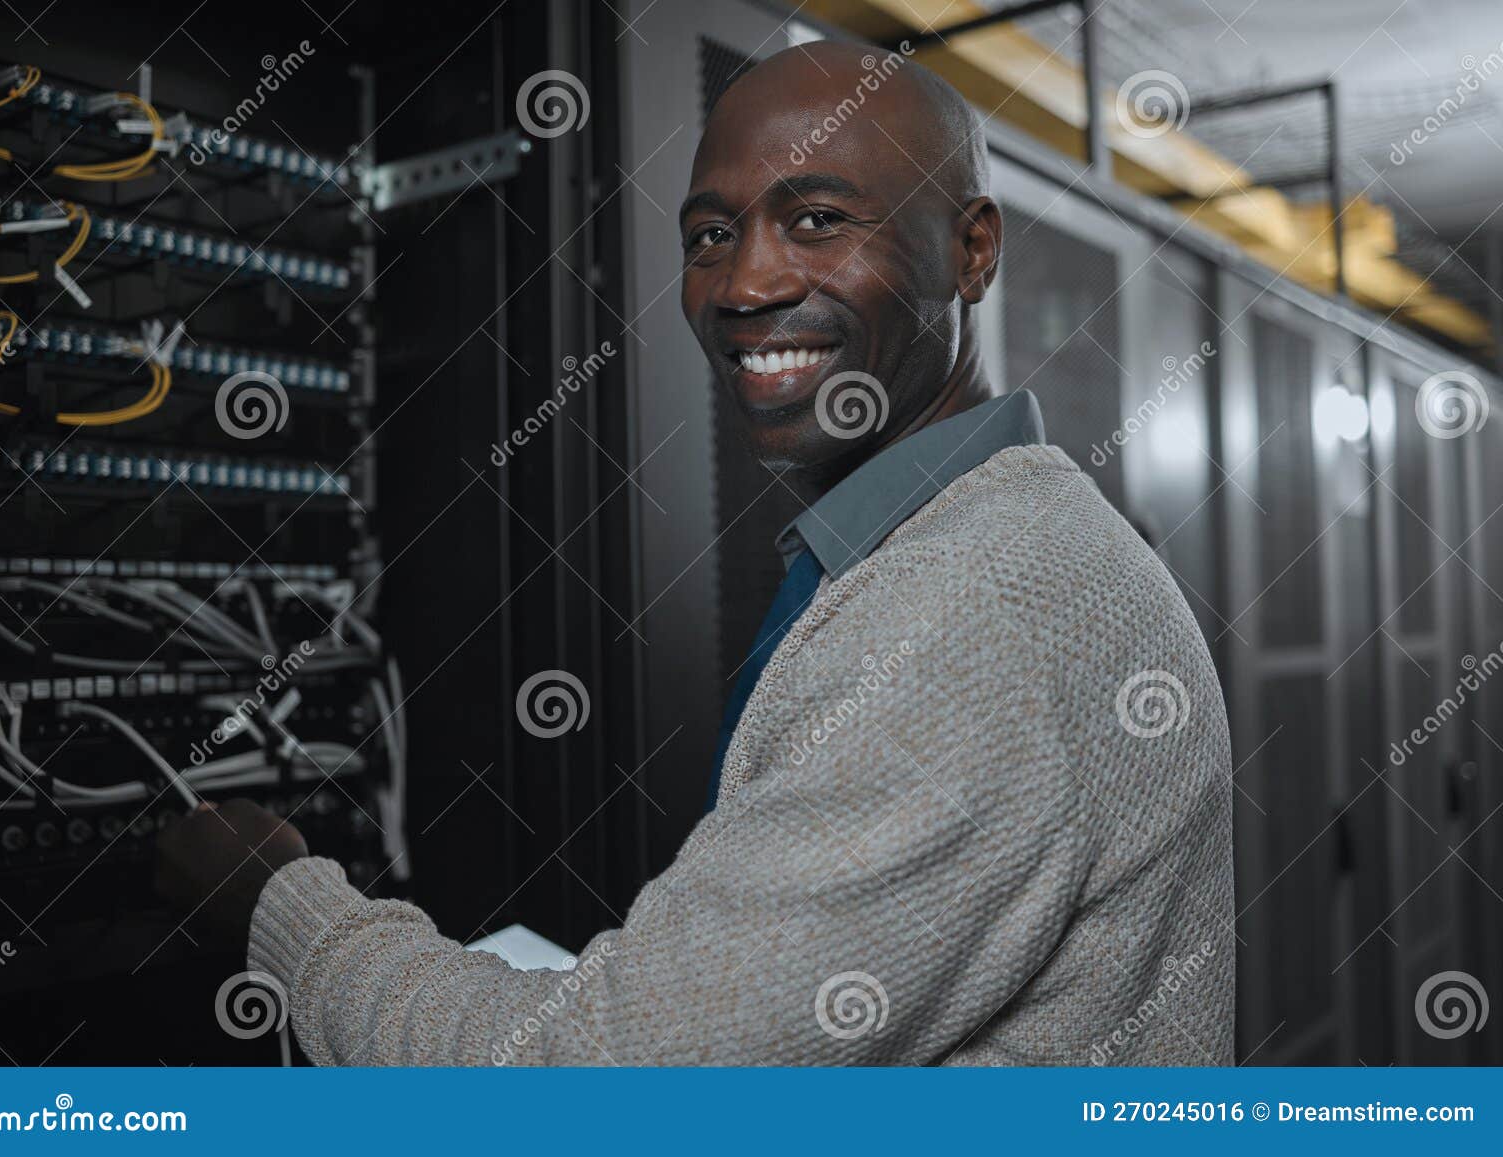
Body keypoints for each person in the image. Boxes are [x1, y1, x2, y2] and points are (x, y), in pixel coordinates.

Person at [156, 41, 1234, 1065]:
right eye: (710, 235)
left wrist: (284, 908)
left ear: (973, 249)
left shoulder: (974, 608)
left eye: (816, 220)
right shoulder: (978, 539)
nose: (744, 284)